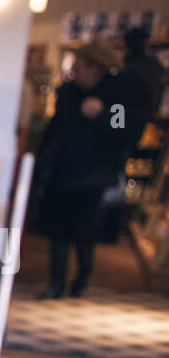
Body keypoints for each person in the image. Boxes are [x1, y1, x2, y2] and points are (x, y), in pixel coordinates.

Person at [35, 43, 130, 298]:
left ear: (94, 68)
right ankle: (56, 283)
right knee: (58, 229)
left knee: (83, 229)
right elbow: (55, 129)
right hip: (63, 171)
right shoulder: (68, 94)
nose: (74, 71)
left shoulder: (116, 95)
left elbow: (120, 129)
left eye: (78, 66)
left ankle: (82, 278)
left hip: (93, 175)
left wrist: (102, 113)